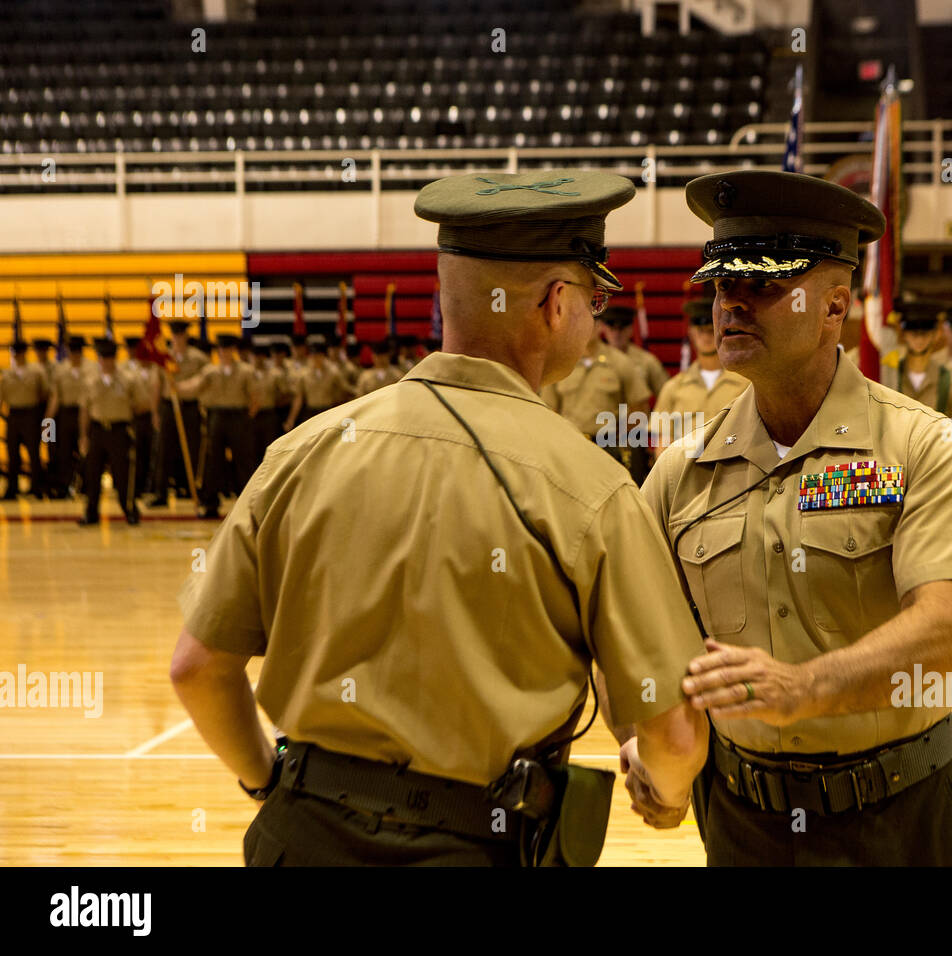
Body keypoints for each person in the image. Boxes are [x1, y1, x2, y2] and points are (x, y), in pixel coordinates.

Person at [169, 169, 708, 866]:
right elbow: (673, 736)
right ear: (555, 303)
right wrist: (664, 791)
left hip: (298, 835)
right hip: (474, 842)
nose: (595, 317)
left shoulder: (302, 453)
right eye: (594, 299)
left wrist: (265, 777)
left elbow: (197, 667)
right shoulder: (593, 490)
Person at [633, 170, 952, 866]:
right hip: (742, 822)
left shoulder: (919, 445)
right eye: (723, 286)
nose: (732, 306)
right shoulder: (681, 471)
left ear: (835, 304)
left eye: (763, 285)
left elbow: (950, 634)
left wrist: (805, 688)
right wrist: (649, 750)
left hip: (898, 819)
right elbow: (632, 631)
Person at [540, 311, 651, 480]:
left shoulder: (620, 362)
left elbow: (639, 410)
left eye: (593, 321)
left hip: (609, 449)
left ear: (600, 326)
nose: (587, 326)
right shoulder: (559, 362)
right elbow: (549, 411)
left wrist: (620, 442)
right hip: (570, 447)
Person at [651, 297, 749, 458]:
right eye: (700, 330)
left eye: (711, 330)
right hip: (685, 471)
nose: (706, 336)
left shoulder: (745, 384)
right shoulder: (674, 387)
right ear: (691, 332)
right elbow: (663, 446)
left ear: (720, 330)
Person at [176, 333, 258, 519]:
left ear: (232, 351)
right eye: (221, 349)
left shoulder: (245, 371)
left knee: (243, 460)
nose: (224, 353)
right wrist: (177, 386)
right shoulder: (211, 371)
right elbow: (194, 386)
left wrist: (247, 417)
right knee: (213, 462)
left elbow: (255, 398)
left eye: (227, 349)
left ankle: (247, 502)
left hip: (238, 416)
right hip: (217, 416)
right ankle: (211, 503)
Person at [875, 301, 952, 444]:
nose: (919, 339)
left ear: (936, 334)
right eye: (913, 333)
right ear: (903, 334)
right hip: (895, 457)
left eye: (925, 333)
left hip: (937, 457)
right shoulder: (888, 379)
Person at [78, 338, 145, 525]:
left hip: (119, 430)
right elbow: (85, 409)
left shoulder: (128, 380)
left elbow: (140, 404)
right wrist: (83, 435)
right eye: (102, 358)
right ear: (98, 359)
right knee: (92, 474)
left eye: (109, 358)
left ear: (114, 359)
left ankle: (129, 509)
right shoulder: (90, 381)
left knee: (123, 474)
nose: (106, 362)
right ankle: (91, 512)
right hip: (97, 430)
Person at [149, 320, 208, 506]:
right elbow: (156, 385)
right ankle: (161, 493)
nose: (178, 339)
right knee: (164, 450)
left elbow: (205, 383)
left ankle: (193, 488)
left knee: (193, 448)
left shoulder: (198, 358)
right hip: (168, 406)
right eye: (175, 335)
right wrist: (155, 412)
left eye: (181, 335)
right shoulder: (164, 357)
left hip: (190, 407)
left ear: (186, 336)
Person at [45, 335, 92, 499]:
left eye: (77, 351)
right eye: (71, 351)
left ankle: (87, 485)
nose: (74, 355)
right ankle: (64, 486)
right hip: (66, 413)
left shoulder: (91, 368)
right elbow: (55, 396)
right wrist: (48, 420)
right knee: (64, 451)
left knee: (87, 450)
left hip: (86, 412)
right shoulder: (60, 369)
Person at [1, 339, 49, 500]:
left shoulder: (36, 372)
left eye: (18, 354)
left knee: (33, 452)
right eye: (13, 354)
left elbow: (44, 393)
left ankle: (37, 487)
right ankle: (12, 488)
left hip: (31, 413)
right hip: (14, 414)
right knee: (12, 453)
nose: (16, 357)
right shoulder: (6, 374)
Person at [121, 335, 158, 501]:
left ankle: (152, 485)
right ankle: (136, 486)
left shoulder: (155, 370)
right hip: (135, 416)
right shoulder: (128, 371)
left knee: (154, 451)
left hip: (153, 415)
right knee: (136, 452)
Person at [600, 305, 669, 395]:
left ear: (631, 329)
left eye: (622, 329)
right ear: (603, 328)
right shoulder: (594, 359)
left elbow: (666, 393)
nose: (616, 334)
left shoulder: (646, 361)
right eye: (612, 328)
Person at [284, 340, 351, 429]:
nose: (316, 359)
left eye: (319, 356)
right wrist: (291, 419)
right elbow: (299, 398)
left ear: (323, 356)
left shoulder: (333, 372)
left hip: (328, 410)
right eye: (313, 356)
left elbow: (344, 390)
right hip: (311, 411)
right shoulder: (304, 374)